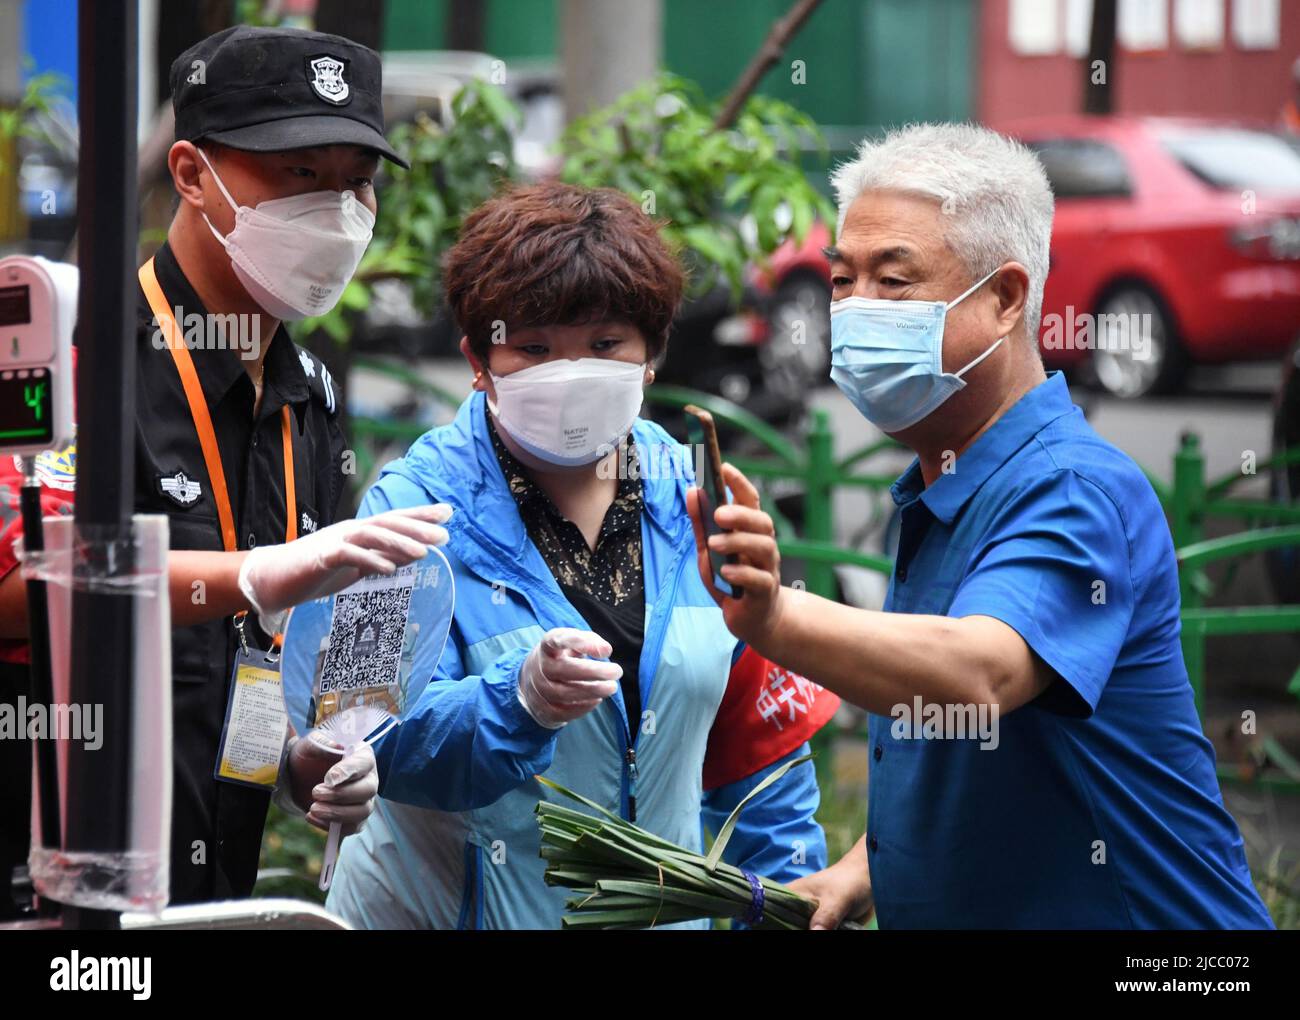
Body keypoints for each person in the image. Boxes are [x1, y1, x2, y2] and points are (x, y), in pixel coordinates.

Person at [688, 123, 1275, 930]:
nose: (856, 310)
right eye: (842, 280)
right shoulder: (944, 483)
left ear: (1004, 299)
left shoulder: (1073, 489)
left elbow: (980, 675)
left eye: (894, 282)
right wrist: (868, 866)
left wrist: (777, 617)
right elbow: (950, 725)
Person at [0, 25, 452, 913]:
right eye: (297, 173)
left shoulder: (308, 395)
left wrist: (304, 757)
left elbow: (259, 663)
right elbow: (18, 574)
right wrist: (248, 574)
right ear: (191, 173)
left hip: (213, 898)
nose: (336, 210)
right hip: (43, 891)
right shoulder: (77, 351)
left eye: (355, 181)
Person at [326, 181, 839, 929]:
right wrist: (518, 700)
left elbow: (759, 754)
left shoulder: (697, 495)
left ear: (650, 354)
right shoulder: (404, 507)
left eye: (604, 346)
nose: (567, 374)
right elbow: (361, 733)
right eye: (533, 348)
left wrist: (790, 899)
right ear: (477, 357)